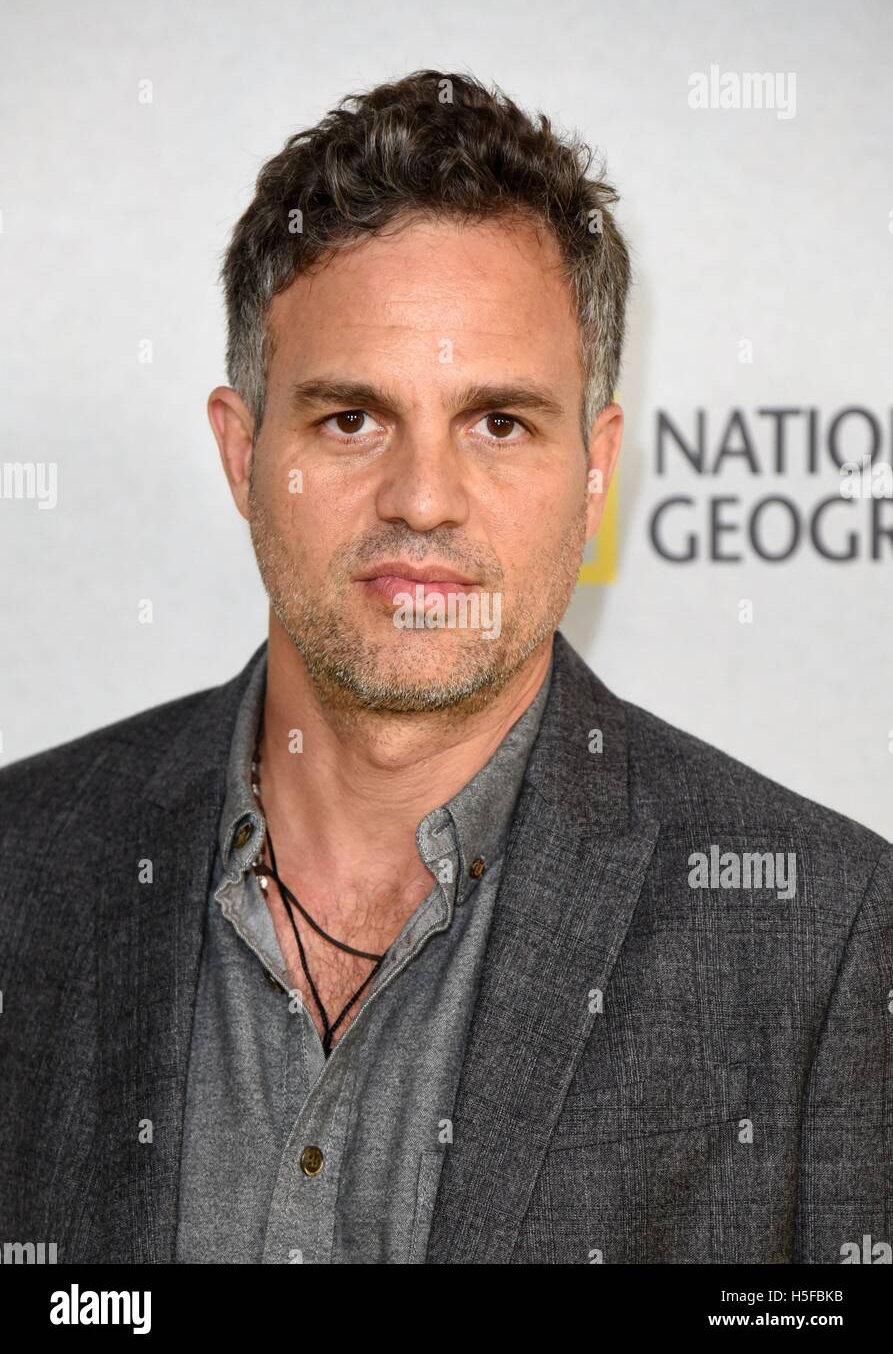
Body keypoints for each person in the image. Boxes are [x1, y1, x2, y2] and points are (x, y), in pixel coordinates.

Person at [0, 70, 889, 1266]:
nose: (422, 499)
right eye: (351, 420)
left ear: (594, 473)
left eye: (498, 423)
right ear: (241, 451)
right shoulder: (23, 869)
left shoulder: (816, 936)